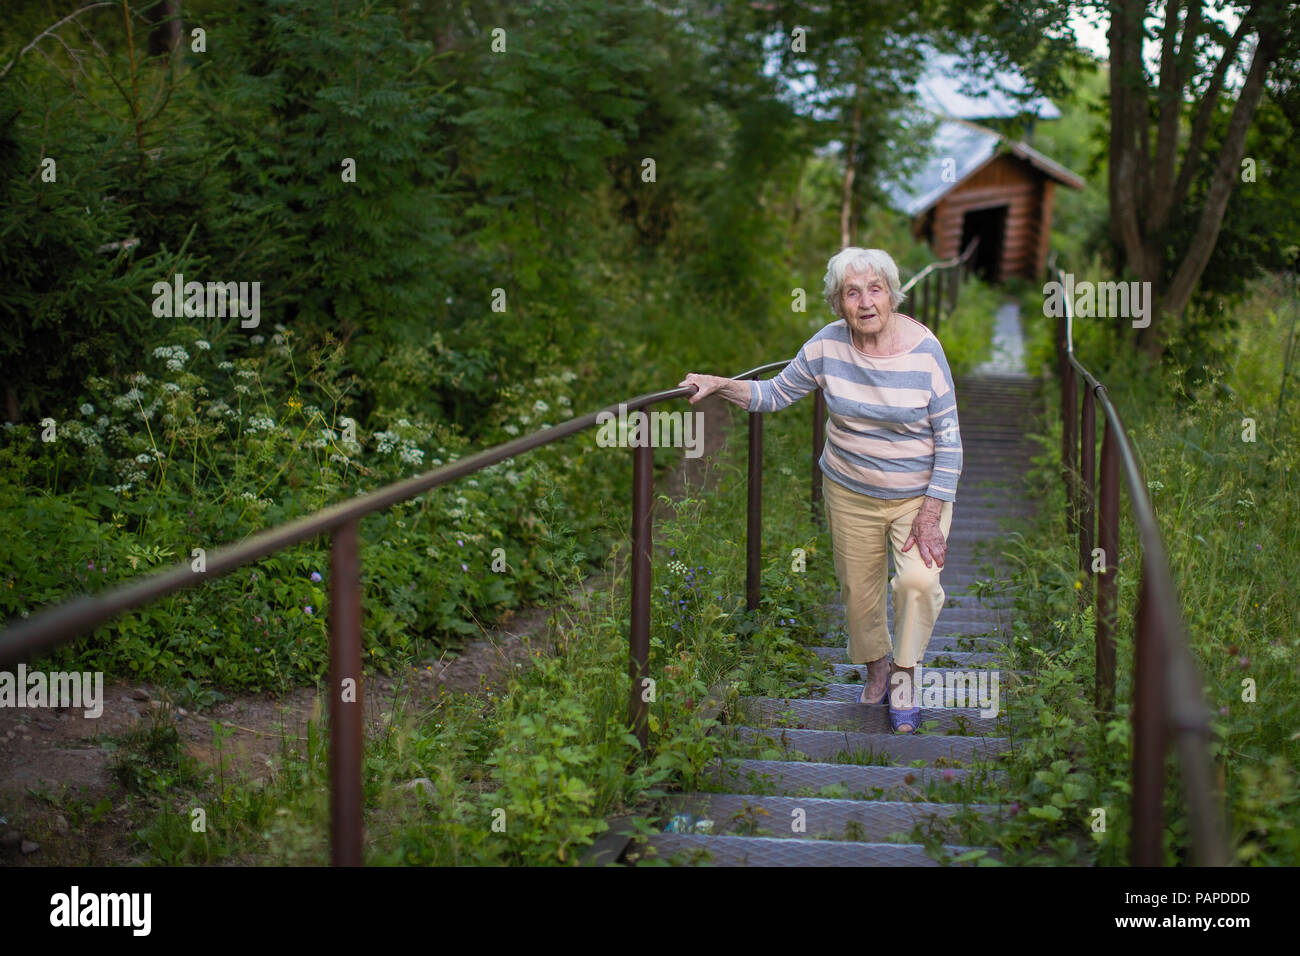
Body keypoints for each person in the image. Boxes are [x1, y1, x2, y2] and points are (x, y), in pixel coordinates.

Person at [679, 247, 962, 733]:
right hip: (849, 489)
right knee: (859, 592)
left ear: (892, 295)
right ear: (838, 303)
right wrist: (719, 383)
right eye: (852, 293)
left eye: (875, 289)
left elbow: (951, 441)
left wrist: (931, 509)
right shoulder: (827, 346)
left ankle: (906, 675)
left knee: (918, 583)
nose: (866, 302)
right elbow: (772, 394)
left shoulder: (925, 350)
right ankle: (876, 669)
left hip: (918, 494)